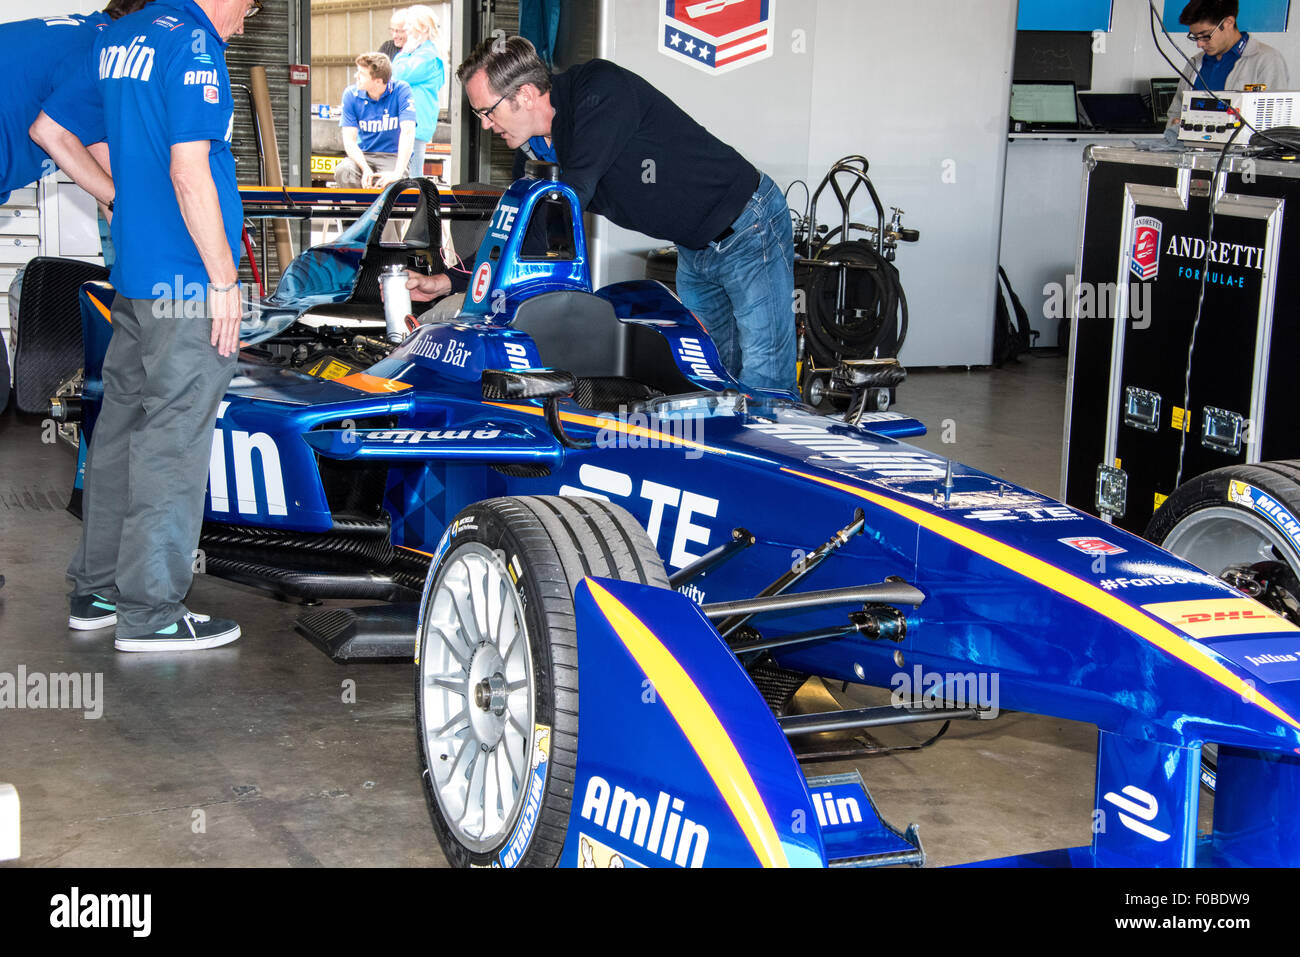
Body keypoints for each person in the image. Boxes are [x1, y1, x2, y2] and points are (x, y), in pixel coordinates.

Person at [44, 0, 259, 651]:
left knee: (121, 431)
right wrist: (225, 280)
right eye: (250, 5)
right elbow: (189, 170)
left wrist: (116, 197)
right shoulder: (193, 46)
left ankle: (100, 588)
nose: (247, 19)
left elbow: (51, 131)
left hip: (135, 279)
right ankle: (151, 611)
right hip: (187, 283)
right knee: (172, 439)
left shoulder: (122, 36)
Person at [410, 36, 795, 393]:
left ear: (525, 95)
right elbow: (518, 241)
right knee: (707, 382)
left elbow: (574, 191)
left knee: (766, 382)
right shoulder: (533, 154)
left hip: (748, 226)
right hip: (694, 249)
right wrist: (448, 282)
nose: (484, 124)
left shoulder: (600, 90)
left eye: (486, 111)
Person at [1, 1, 154, 209]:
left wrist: (126, 215)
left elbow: (103, 170)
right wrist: (128, 209)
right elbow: (48, 132)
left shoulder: (84, 33)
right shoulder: (102, 57)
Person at [1165, 0, 1290, 132]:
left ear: (1228, 22)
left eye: (1205, 36)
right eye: (1195, 37)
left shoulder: (1266, 60)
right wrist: (1175, 126)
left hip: (1243, 152)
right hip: (1193, 151)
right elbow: (1175, 114)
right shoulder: (1196, 63)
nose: (1199, 44)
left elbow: (1274, 126)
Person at [335, 53, 416, 188]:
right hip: (364, 155)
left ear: (378, 81)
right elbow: (349, 140)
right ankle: (359, 208)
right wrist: (365, 169)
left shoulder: (402, 90)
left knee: (392, 184)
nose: (357, 76)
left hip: (392, 156)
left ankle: (386, 209)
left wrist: (397, 173)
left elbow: (408, 132)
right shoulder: (351, 95)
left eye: (362, 74)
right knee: (343, 171)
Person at [391, 4, 445, 179]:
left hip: (414, 125)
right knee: (409, 176)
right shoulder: (422, 55)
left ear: (421, 28)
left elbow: (396, 74)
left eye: (408, 24)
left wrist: (403, 53)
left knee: (411, 177)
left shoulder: (427, 57)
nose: (404, 29)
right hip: (412, 124)